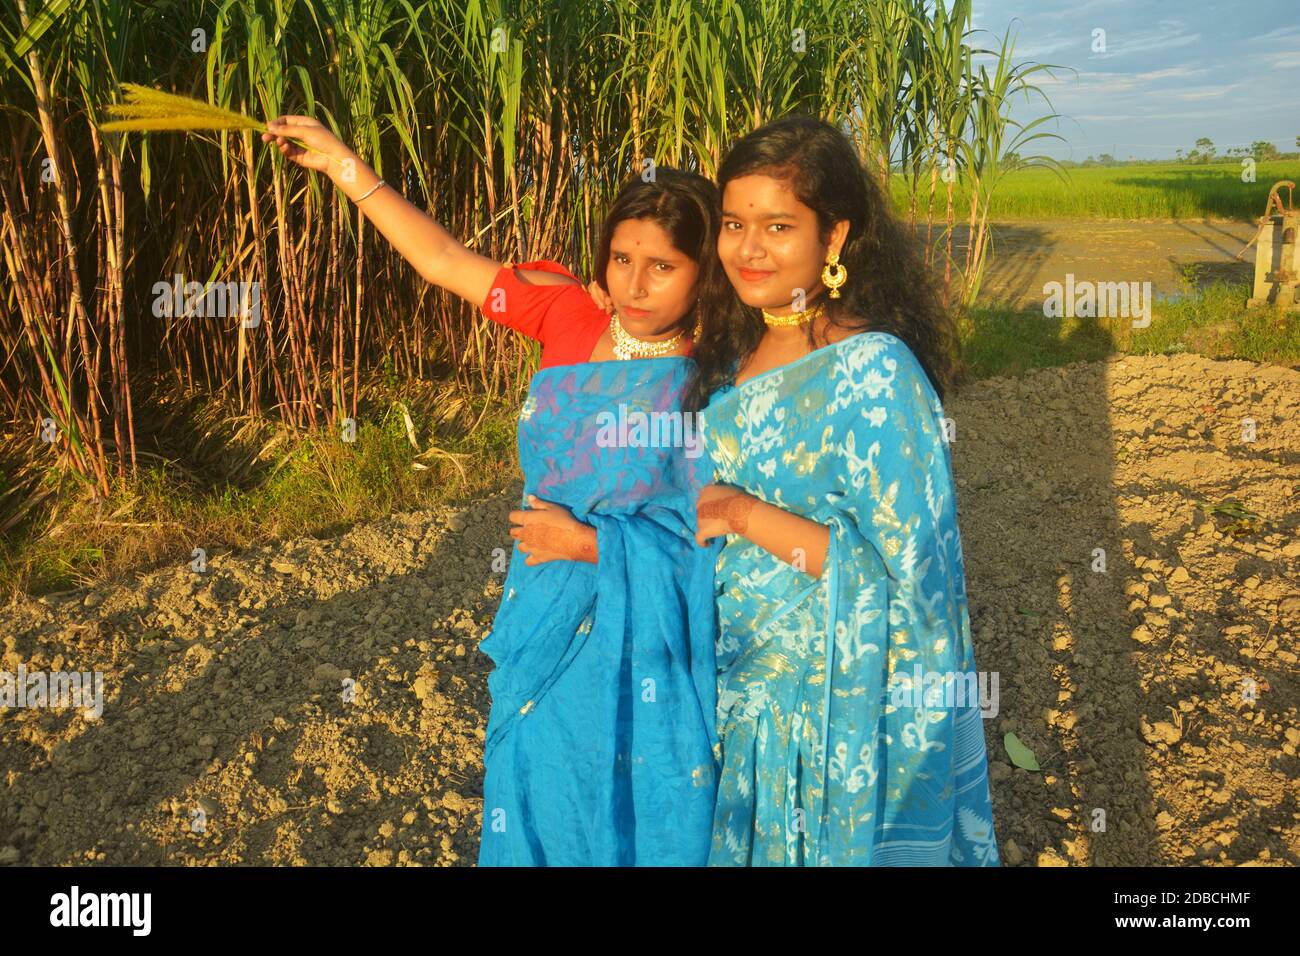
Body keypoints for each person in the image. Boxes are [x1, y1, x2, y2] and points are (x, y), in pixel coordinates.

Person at [262, 117, 729, 865]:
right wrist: (343, 166)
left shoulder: (720, 377)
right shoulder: (568, 314)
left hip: (648, 635)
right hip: (546, 609)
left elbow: (716, 531)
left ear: (705, 271)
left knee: (641, 796)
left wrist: (587, 543)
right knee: (540, 781)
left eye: (663, 267)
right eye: (620, 258)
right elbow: (444, 260)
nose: (633, 285)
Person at [687, 115, 1000, 866]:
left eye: (778, 225)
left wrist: (740, 513)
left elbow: (911, 588)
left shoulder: (875, 374)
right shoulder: (733, 350)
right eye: (734, 223)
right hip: (732, 694)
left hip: (829, 712)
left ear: (832, 239)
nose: (748, 248)